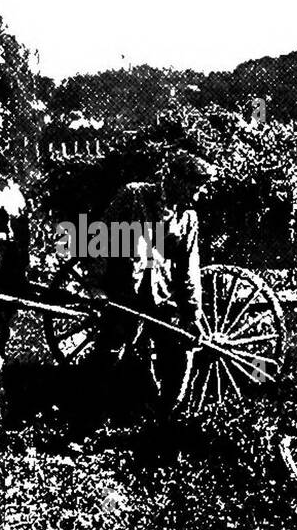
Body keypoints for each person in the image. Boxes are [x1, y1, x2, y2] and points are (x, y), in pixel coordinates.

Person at [89, 150, 216, 406]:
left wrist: (192, 316)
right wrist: (95, 285)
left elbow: (187, 268)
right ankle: (86, 421)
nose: (200, 194)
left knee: (181, 352)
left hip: (161, 296)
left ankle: (167, 417)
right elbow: (100, 237)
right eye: (196, 186)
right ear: (177, 180)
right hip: (124, 292)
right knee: (110, 352)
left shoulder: (188, 218)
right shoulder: (134, 196)